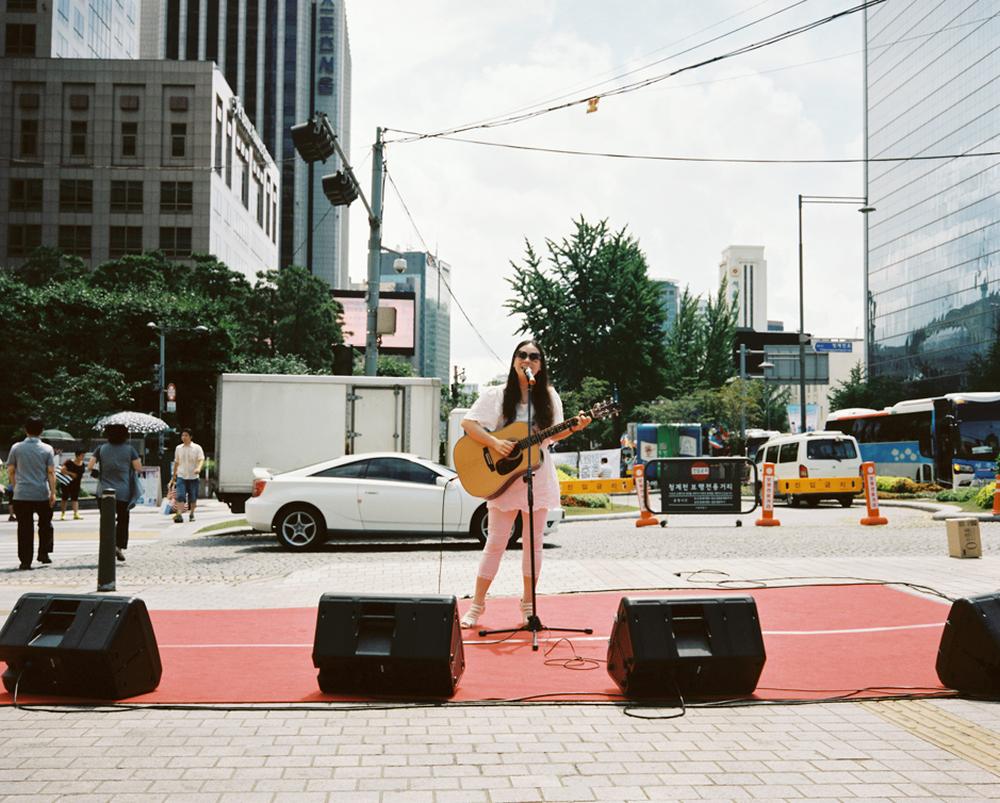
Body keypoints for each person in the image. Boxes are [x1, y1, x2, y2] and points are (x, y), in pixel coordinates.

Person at [458, 340, 591, 628]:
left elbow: (551, 437)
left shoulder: (549, 396)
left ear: (540, 366)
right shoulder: (497, 395)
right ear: (514, 360)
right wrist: (495, 442)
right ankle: (477, 605)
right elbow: (469, 424)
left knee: (534, 545)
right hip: (504, 480)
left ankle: (528, 605)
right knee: (495, 543)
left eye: (534, 357)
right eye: (522, 355)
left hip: (538, 477)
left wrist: (574, 426)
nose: (527, 360)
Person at [7, 416, 56, 570]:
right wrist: (53, 492)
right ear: (42, 431)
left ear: (25, 430)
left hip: (22, 494)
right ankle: (44, 553)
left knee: (24, 528)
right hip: (41, 492)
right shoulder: (47, 449)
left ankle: (25, 561)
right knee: (46, 524)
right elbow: (51, 472)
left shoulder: (16, 447)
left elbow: (11, 470)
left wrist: (15, 487)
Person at [88, 424, 141, 562]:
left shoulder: (101, 449)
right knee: (123, 519)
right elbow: (138, 468)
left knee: (106, 521)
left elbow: (90, 466)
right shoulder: (130, 450)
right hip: (123, 492)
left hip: (104, 492)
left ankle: (107, 546)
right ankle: (119, 546)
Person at [171, 428, 205, 523]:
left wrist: (198, 468)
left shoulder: (197, 448)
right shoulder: (178, 448)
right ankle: (179, 514)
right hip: (181, 475)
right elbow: (176, 462)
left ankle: (192, 513)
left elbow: (201, 459)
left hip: (193, 477)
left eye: (186, 435)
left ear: (190, 437)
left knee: (193, 497)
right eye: (182, 435)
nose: (184, 437)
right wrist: (174, 476)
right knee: (180, 495)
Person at [58, 450, 86, 520]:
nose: (83, 457)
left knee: (75, 498)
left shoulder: (82, 464)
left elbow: (81, 473)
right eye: (82, 455)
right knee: (65, 498)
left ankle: (76, 514)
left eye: (83, 455)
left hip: (76, 483)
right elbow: (62, 470)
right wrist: (71, 473)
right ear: (77, 456)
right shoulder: (69, 462)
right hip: (67, 483)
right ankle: (63, 514)